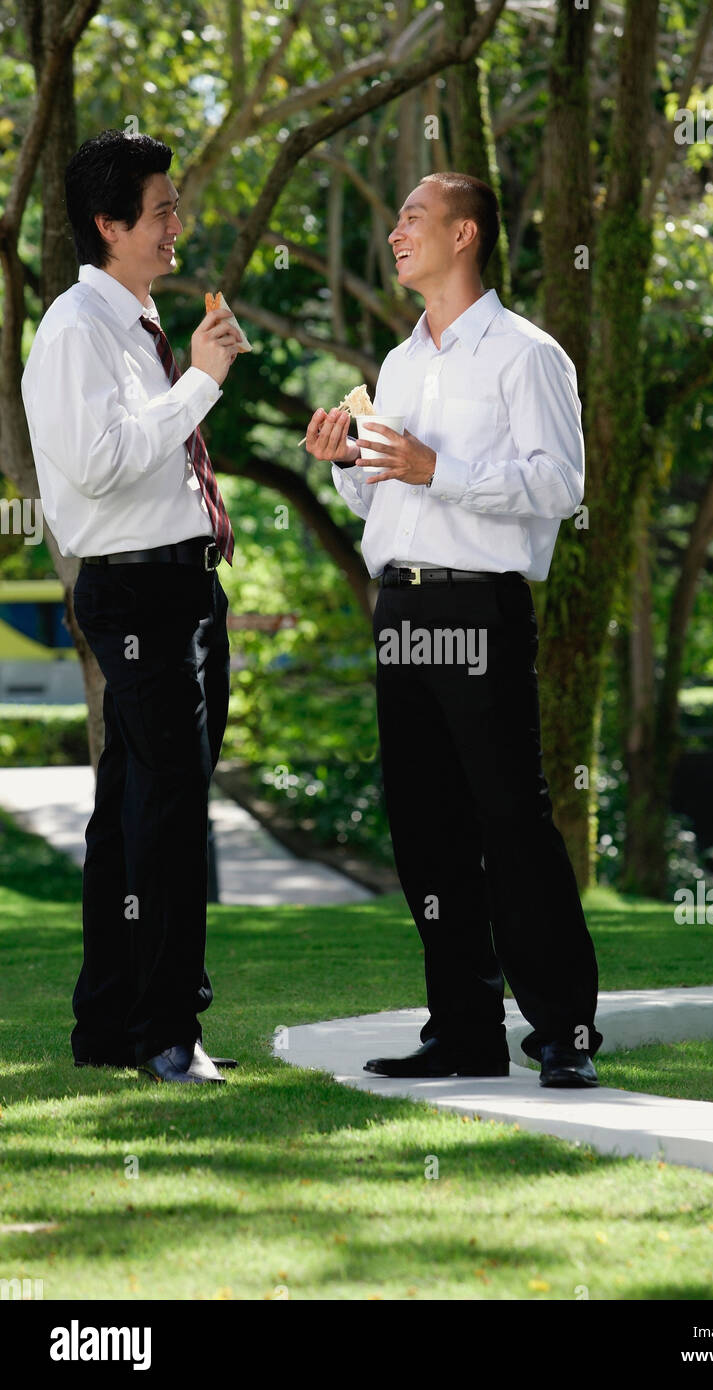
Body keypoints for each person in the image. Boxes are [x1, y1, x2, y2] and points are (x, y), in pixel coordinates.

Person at [305, 172, 602, 1087]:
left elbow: (561, 485)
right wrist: (348, 465)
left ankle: (564, 1034)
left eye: (412, 217)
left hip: (481, 607)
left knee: (512, 820)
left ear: (465, 233)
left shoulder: (527, 353)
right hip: (401, 606)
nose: (395, 232)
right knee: (426, 829)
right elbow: (386, 497)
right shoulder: (398, 365)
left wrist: (442, 468)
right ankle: (465, 1030)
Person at [20, 130, 243, 1085]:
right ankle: (166, 1032)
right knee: (172, 808)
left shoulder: (139, 324)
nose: (176, 227)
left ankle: (109, 1026)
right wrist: (201, 380)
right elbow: (103, 462)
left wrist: (189, 374)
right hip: (137, 588)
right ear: (109, 225)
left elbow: (146, 458)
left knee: (130, 808)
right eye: (160, 213)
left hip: (184, 582)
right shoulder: (77, 326)